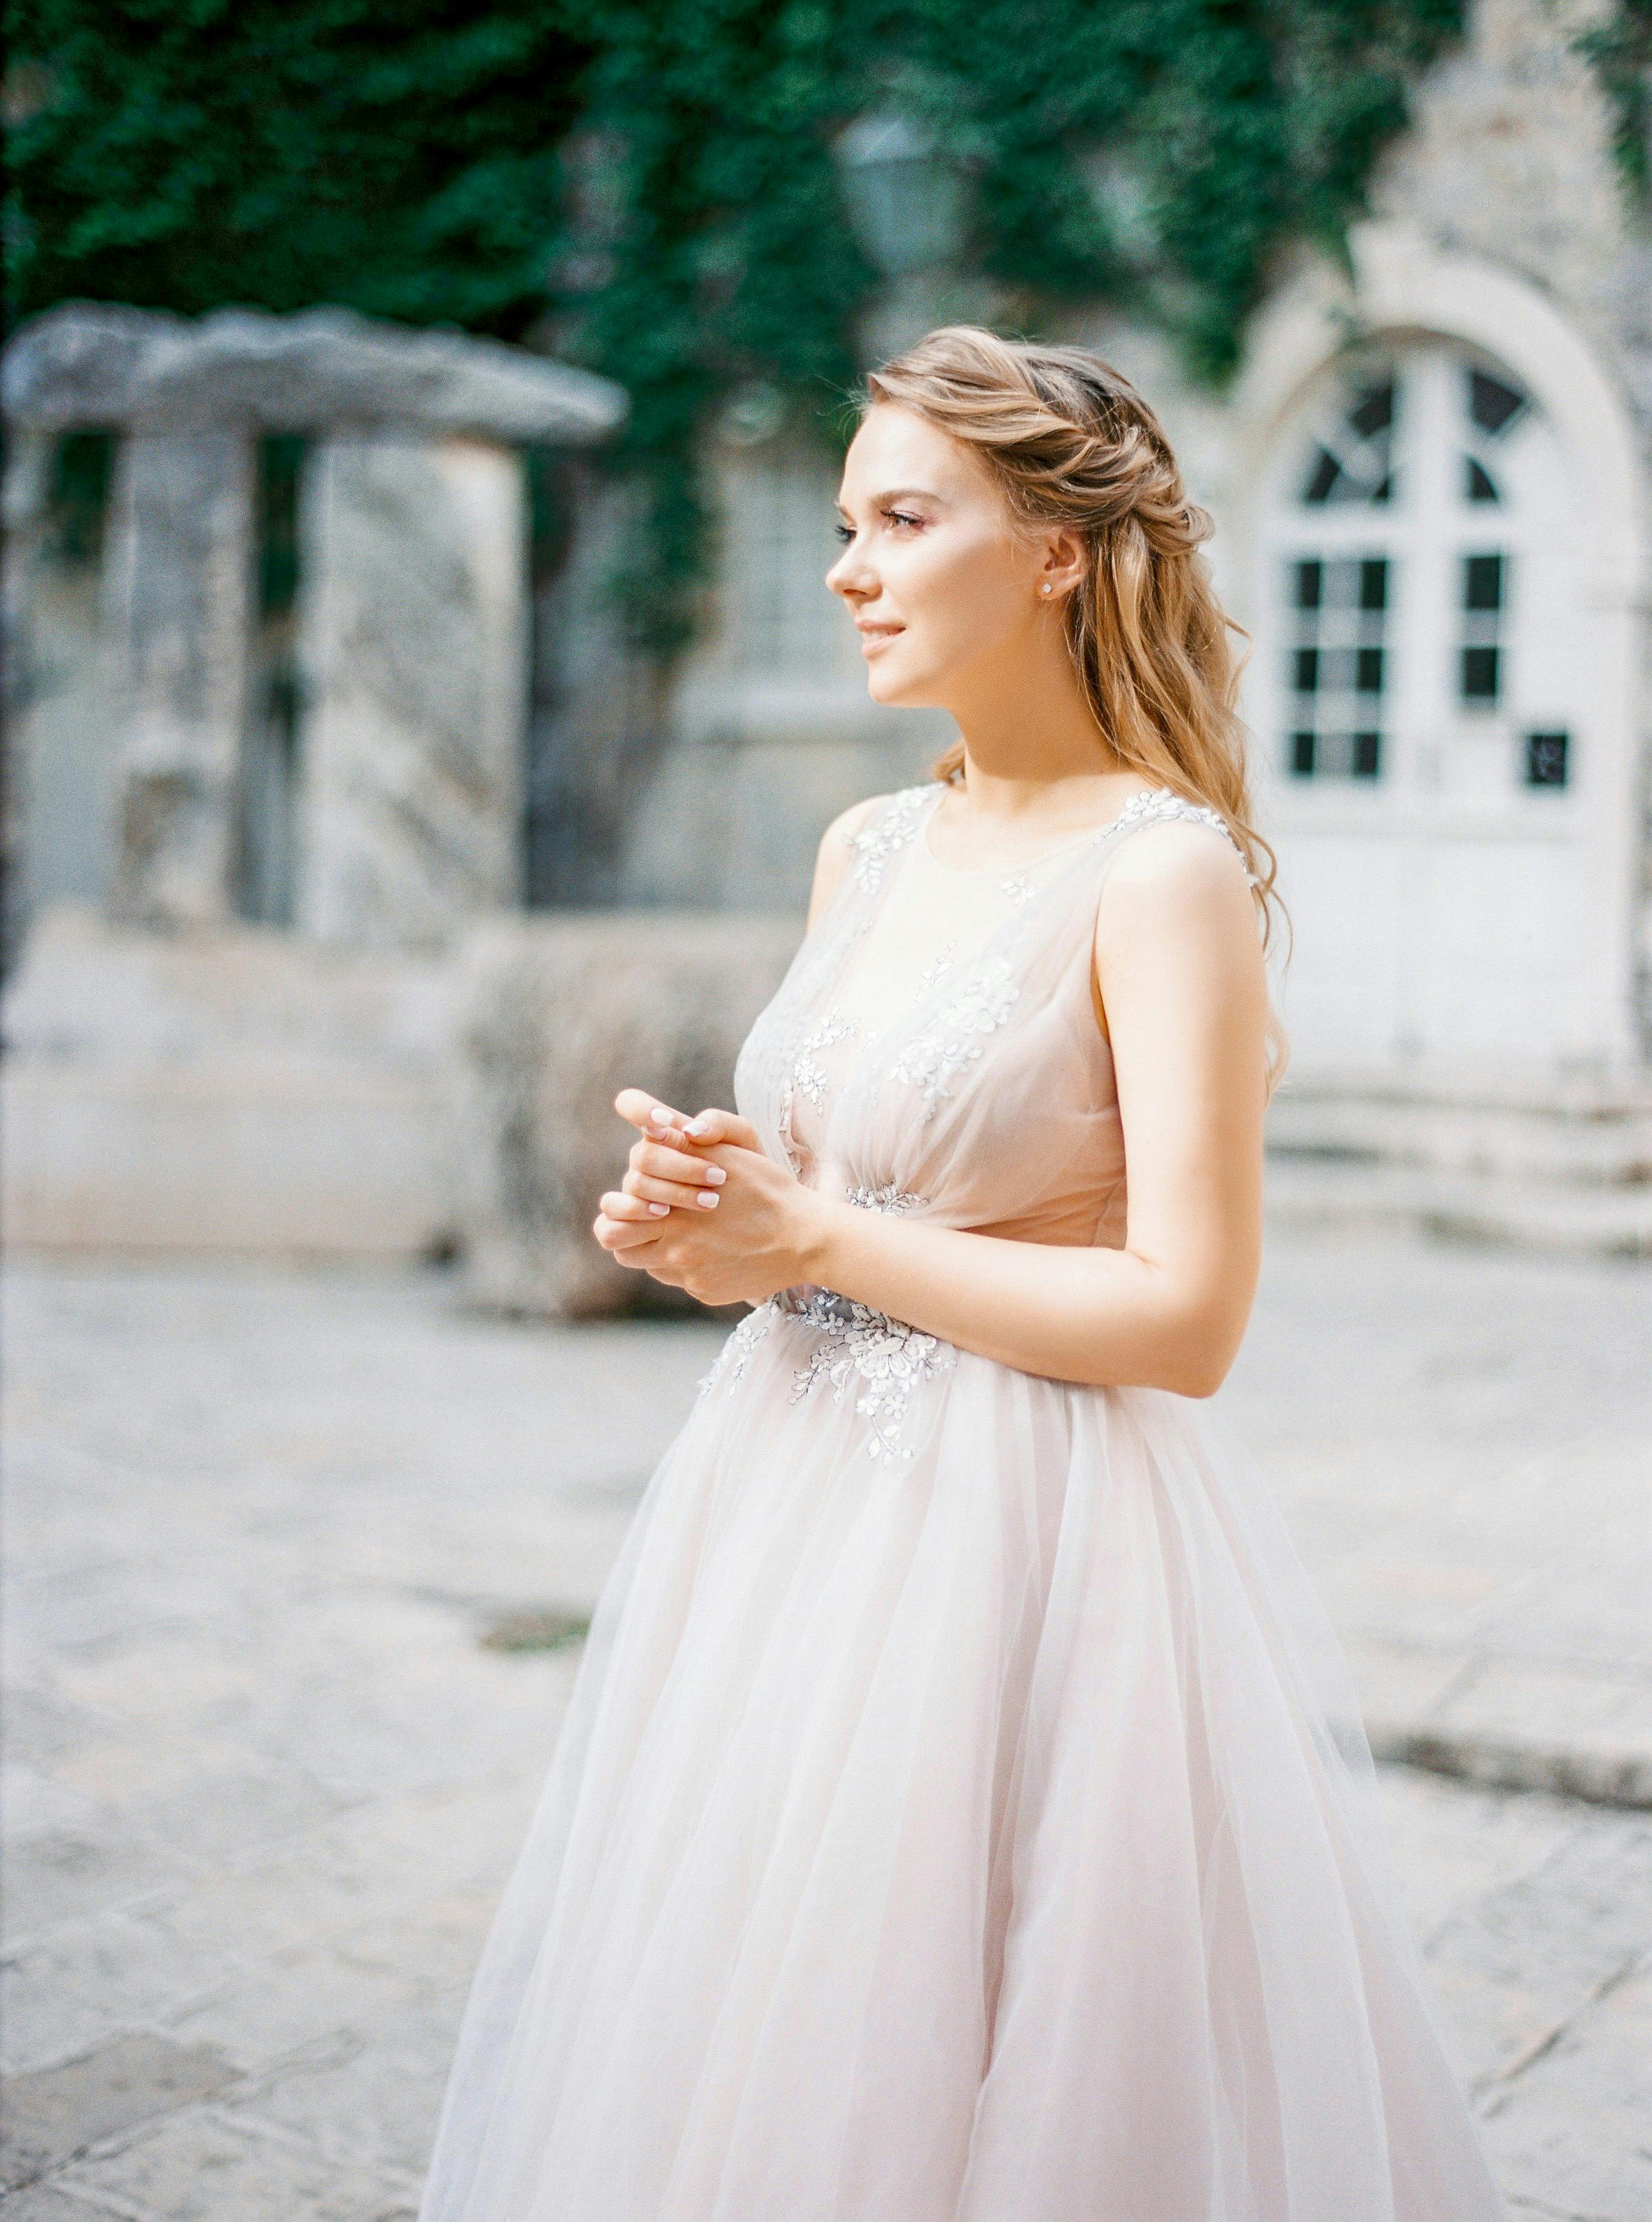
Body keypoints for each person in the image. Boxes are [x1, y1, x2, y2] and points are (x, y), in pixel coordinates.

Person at [418, 326, 1511, 2220]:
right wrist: (711, 1221)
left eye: (904, 518)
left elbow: (1190, 1318)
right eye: (847, 522)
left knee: (1000, 2050)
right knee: (762, 2026)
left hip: (1030, 1540)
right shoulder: (871, 844)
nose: (849, 566)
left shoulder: (1162, 877)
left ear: (1057, 552)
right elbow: (836, 1206)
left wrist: (823, 1237)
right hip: (779, 1520)